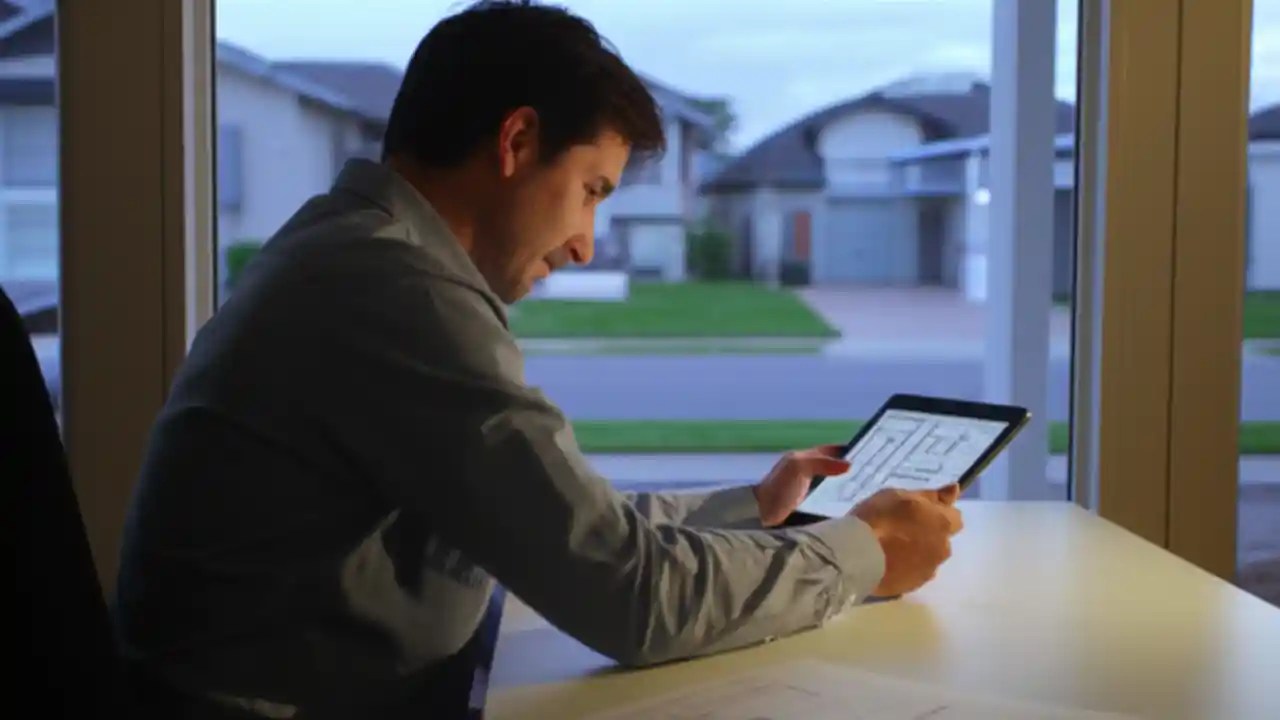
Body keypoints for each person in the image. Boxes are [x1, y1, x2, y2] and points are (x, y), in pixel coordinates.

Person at [113, 1, 963, 717]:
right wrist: (864, 551)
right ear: (516, 142)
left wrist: (751, 505)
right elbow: (632, 598)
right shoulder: (396, 292)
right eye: (592, 191)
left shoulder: (349, 249)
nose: (588, 246)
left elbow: (557, 525)